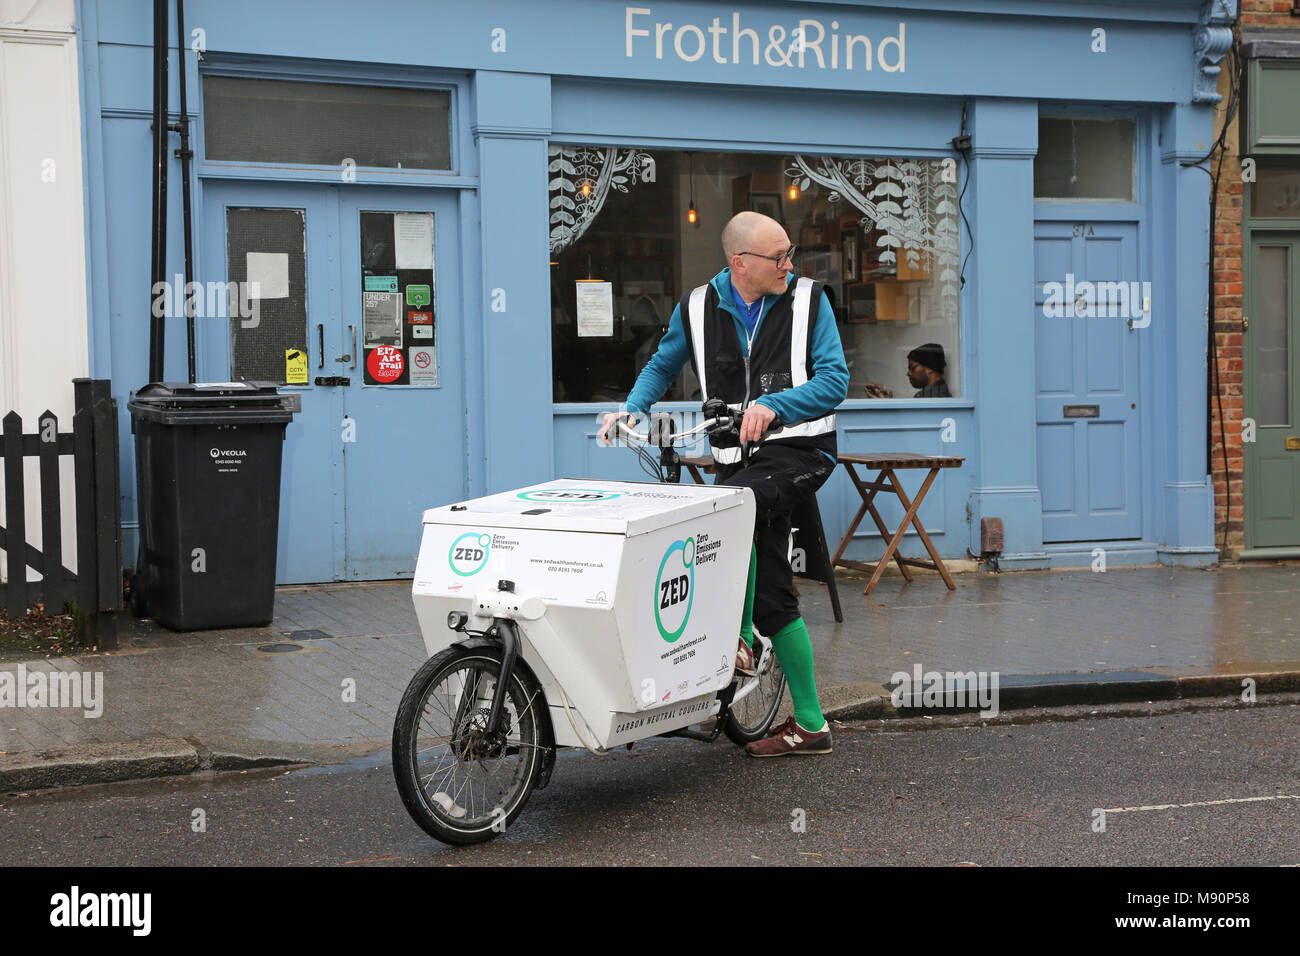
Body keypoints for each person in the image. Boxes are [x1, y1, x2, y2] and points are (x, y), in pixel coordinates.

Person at [600, 211, 849, 757]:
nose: (790, 264)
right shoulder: (697, 306)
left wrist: (773, 406)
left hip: (801, 451)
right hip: (736, 459)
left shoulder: (809, 300)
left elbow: (835, 380)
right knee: (774, 597)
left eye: (789, 253)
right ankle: (811, 725)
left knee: (740, 504)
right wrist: (633, 408)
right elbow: (663, 363)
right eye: (778, 256)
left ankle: (734, 639)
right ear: (741, 263)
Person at [863, 343, 952, 398]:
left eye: (912, 368)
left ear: (930, 368)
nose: (908, 373)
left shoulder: (934, 398)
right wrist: (887, 403)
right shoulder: (932, 394)